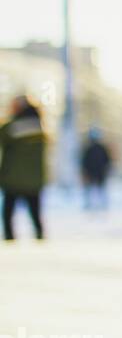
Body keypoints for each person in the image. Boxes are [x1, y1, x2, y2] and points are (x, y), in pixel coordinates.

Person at [1, 94, 48, 241]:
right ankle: (39, 236)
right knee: (35, 211)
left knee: (8, 211)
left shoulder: (13, 126)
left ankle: (9, 237)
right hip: (34, 177)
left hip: (14, 177)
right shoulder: (39, 125)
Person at [80, 126, 112, 210]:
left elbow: (107, 160)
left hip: (99, 172)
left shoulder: (101, 148)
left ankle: (102, 204)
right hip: (93, 172)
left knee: (100, 189)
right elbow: (84, 161)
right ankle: (90, 204)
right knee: (90, 189)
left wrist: (107, 169)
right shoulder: (89, 148)